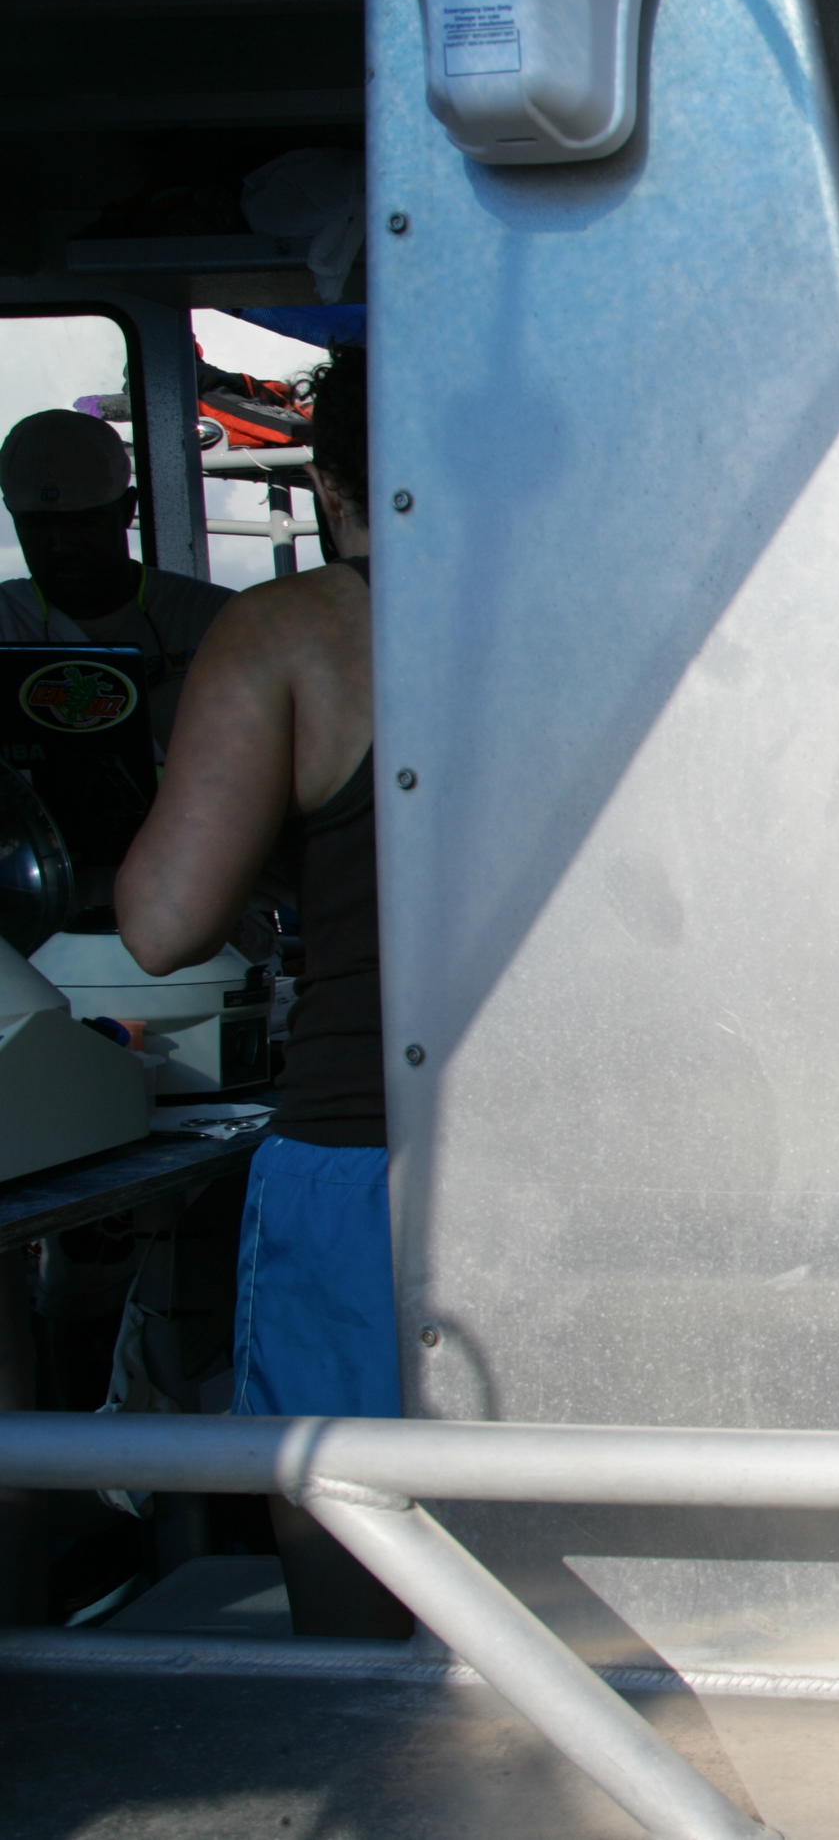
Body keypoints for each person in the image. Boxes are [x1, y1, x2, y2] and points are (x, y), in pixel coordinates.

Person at [111, 345, 408, 1634]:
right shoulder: (611, 623)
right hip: (593, 1154)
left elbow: (162, 923)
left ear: (336, 488)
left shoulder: (291, 630)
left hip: (362, 1157)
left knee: (360, 1633)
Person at [2, 407, 238, 753]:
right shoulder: (6, 620)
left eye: (82, 523)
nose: (61, 544)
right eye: (37, 525)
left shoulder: (222, 621)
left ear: (128, 510)